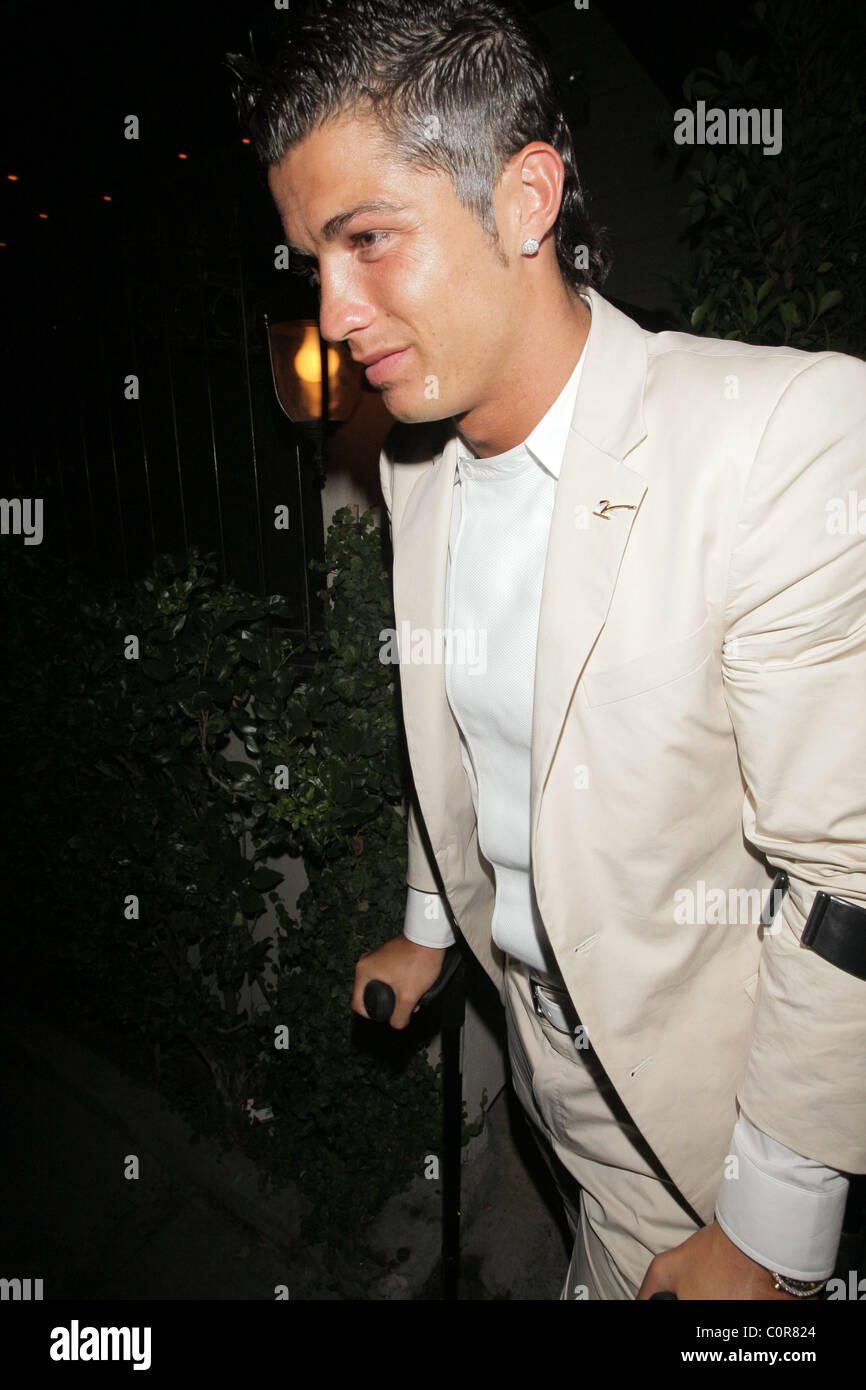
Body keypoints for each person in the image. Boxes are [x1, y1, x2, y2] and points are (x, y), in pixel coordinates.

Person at [227, 0, 866, 1299]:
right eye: (311, 260)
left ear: (524, 200)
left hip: (717, 1137)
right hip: (547, 1080)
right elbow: (458, 735)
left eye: (368, 242)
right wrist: (427, 925)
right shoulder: (416, 463)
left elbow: (849, 880)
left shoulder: (782, 435)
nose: (333, 313)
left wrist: (770, 1232)